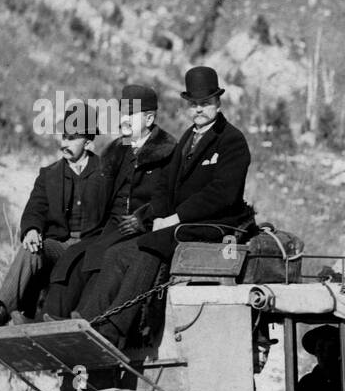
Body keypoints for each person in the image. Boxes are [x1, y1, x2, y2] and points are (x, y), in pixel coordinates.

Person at [78, 65, 256, 348]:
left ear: (218, 102)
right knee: (116, 253)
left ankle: (115, 330)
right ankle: (86, 322)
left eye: (205, 103)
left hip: (215, 223)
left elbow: (222, 194)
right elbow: (164, 186)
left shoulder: (232, 140)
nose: (199, 109)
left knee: (153, 246)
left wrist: (175, 218)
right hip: (180, 222)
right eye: (194, 104)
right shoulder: (187, 138)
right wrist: (159, 214)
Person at [44, 83, 176, 319]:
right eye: (122, 113)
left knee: (102, 254)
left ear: (148, 119)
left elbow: (168, 199)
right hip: (111, 227)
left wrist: (143, 218)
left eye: (130, 114)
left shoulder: (167, 151)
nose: (123, 119)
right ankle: (48, 318)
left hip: (142, 230)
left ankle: (83, 318)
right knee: (74, 256)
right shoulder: (116, 150)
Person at [0, 120, 111, 329]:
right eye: (64, 137)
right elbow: (34, 209)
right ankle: (2, 310)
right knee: (31, 250)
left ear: (89, 142)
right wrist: (31, 230)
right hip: (61, 244)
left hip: (92, 245)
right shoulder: (49, 174)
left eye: (72, 138)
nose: (65, 142)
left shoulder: (106, 173)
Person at [295, 325, 344, 391]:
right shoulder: (306, 384)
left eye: (330, 348)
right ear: (315, 353)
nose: (324, 355)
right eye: (320, 349)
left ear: (339, 352)